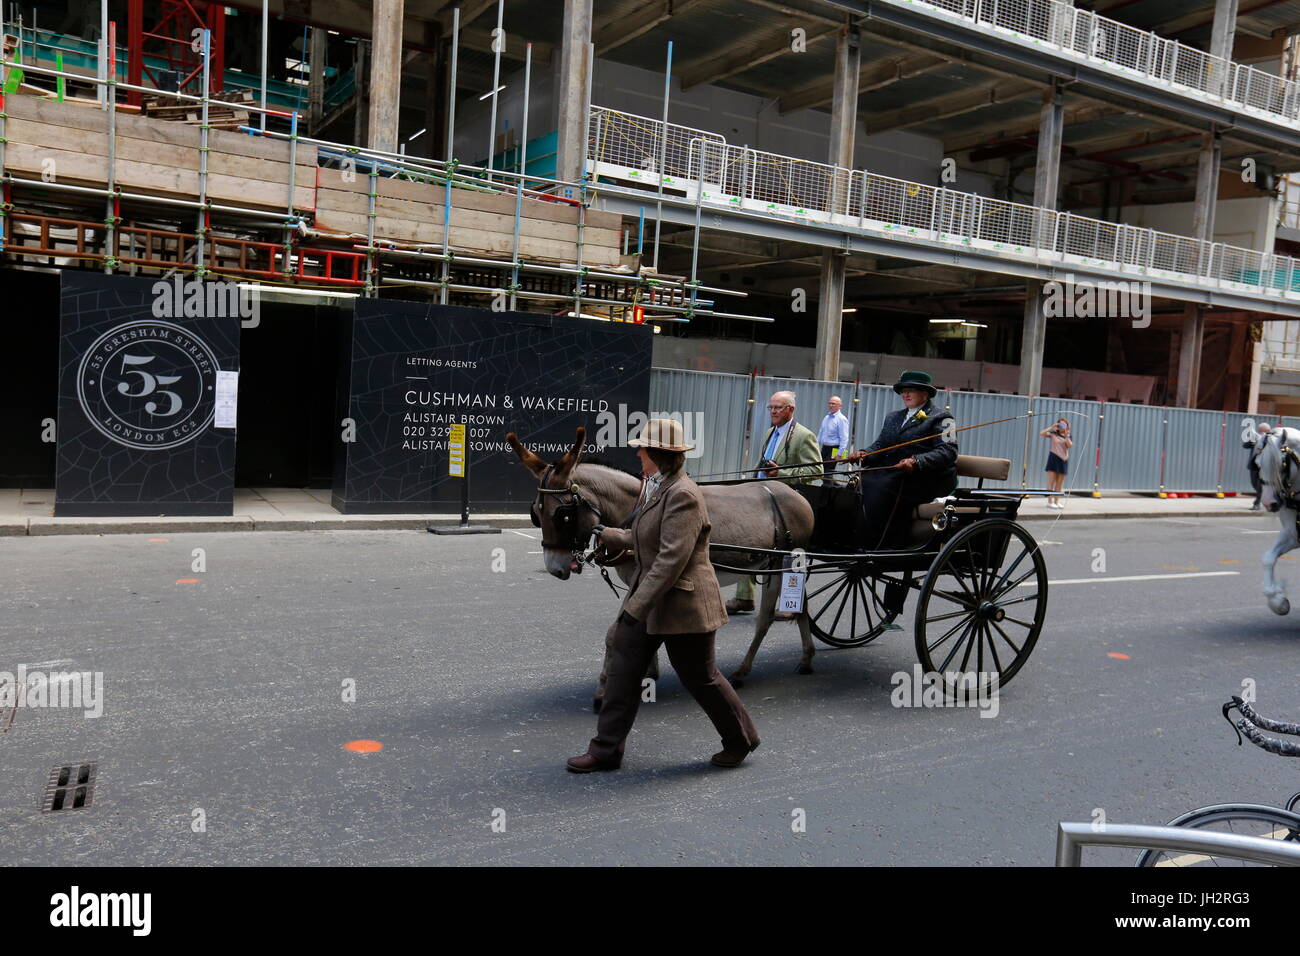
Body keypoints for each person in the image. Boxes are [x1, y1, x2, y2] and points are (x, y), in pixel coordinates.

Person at [566, 418, 760, 773]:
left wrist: (634, 608)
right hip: (652, 601)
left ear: (659, 454)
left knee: (701, 677)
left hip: (684, 605)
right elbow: (647, 540)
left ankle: (741, 739)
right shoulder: (657, 487)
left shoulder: (682, 495)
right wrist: (611, 534)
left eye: (643, 447)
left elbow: (671, 559)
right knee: (623, 668)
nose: (637, 452)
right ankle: (605, 750)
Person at [726, 389, 821, 614]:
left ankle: (791, 604)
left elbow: (816, 470)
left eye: (778, 407)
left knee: (794, 555)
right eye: (771, 407)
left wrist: (782, 475)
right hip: (762, 500)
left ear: (791, 409)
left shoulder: (803, 436)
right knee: (748, 541)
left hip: (789, 507)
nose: (773, 411)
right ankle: (744, 597)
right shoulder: (772, 432)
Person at [846, 370, 957, 555]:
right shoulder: (893, 417)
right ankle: (856, 536)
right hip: (895, 473)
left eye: (911, 390)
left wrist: (917, 461)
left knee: (882, 487)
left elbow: (948, 452)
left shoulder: (943, 418)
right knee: (857, 484)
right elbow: (881, 445)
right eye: (903, 390)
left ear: (925, 393)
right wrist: (864, 454)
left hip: (927, 478)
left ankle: (885, 544)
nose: (905, 394)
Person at [1040, 418, 1072, 509]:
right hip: (1053, 458)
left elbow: (1070, 445)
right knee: (1051, 481)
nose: (1062, 426)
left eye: (1064, 425)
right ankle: (1050, 502)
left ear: (1067, 426)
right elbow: (1042, 433)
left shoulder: (1068, 435)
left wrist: (1066, 435)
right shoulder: (1053, 434)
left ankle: (1057, 501)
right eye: (1060, 424)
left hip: (1063, 460)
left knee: (1059, 483)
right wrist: (1052, 427)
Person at [817, 395, 851, 478]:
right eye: (830, 403)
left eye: (833, 404)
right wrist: (815, 446)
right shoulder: (826, 417)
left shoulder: (841, 419)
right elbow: (820, 433)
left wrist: (839, 453)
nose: (831, 405)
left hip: (834, 449)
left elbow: (844, 438)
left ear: (840, 406)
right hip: (824, 448)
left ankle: (828, 489)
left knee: (827, 473)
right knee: (821, 471)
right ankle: (835, 488)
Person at [1247, 422, 1272, 511]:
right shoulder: (1255, 437)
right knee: (1254, 483)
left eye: (1261, 429)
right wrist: (1252, 442)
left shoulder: (1270, 439)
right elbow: (1245, 446)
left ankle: (1257, 504)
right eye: (1259, 429)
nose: (1259, 431)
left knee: (1259, 485)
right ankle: (1260, 499)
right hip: (1253, 465)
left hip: (1263, 466)